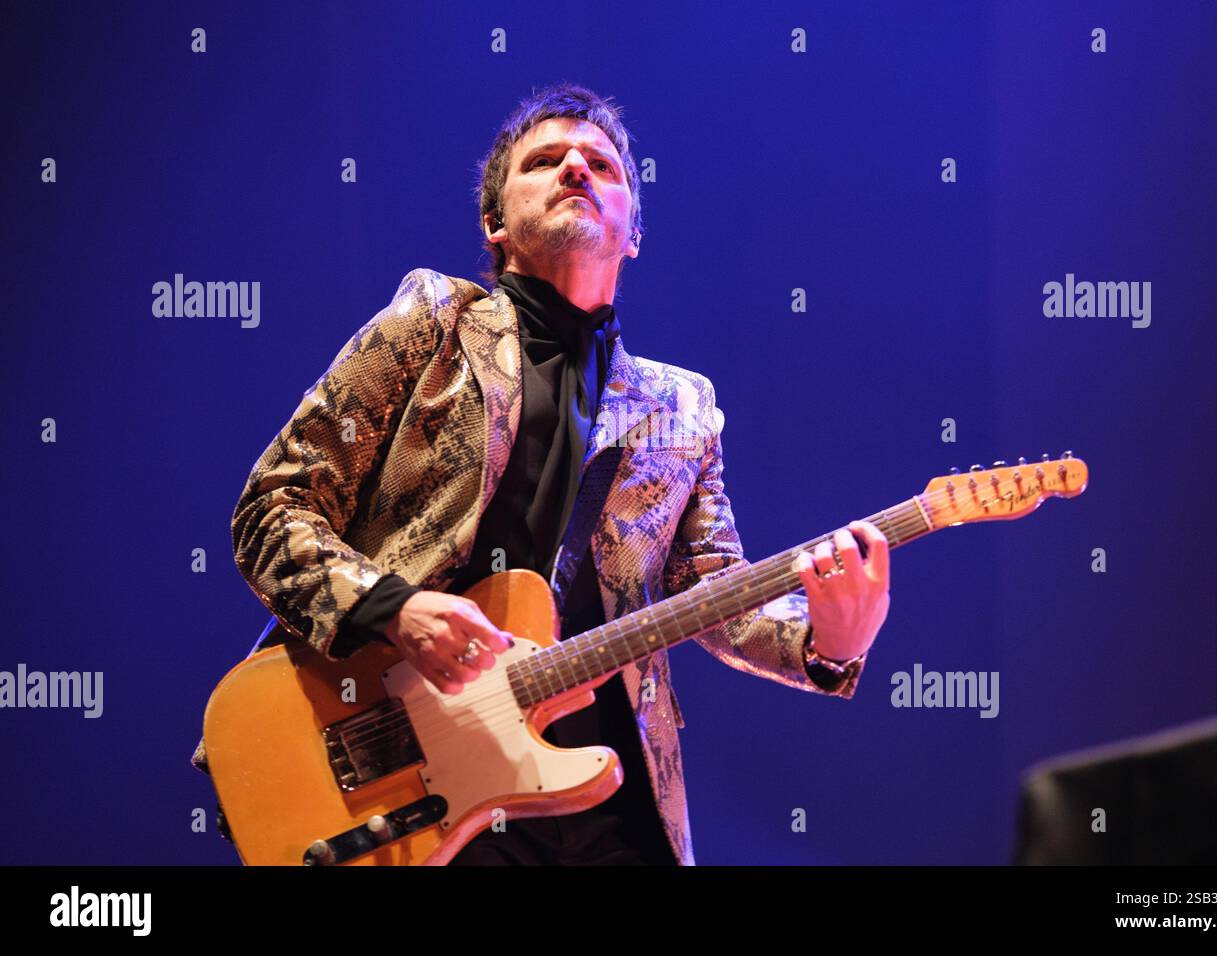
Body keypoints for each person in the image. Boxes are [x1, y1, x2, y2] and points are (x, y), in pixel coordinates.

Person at [191, 82, 891, 865]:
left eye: (602, 164)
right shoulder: (432, 323)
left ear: (634, 233)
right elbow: (272, 506)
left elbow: (714, 595)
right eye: (546, 161)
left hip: (606, 790)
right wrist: (395, 610)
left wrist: (831, 643)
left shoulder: (683, 405)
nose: (576, 170)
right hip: (413, 771)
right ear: (494, 224)